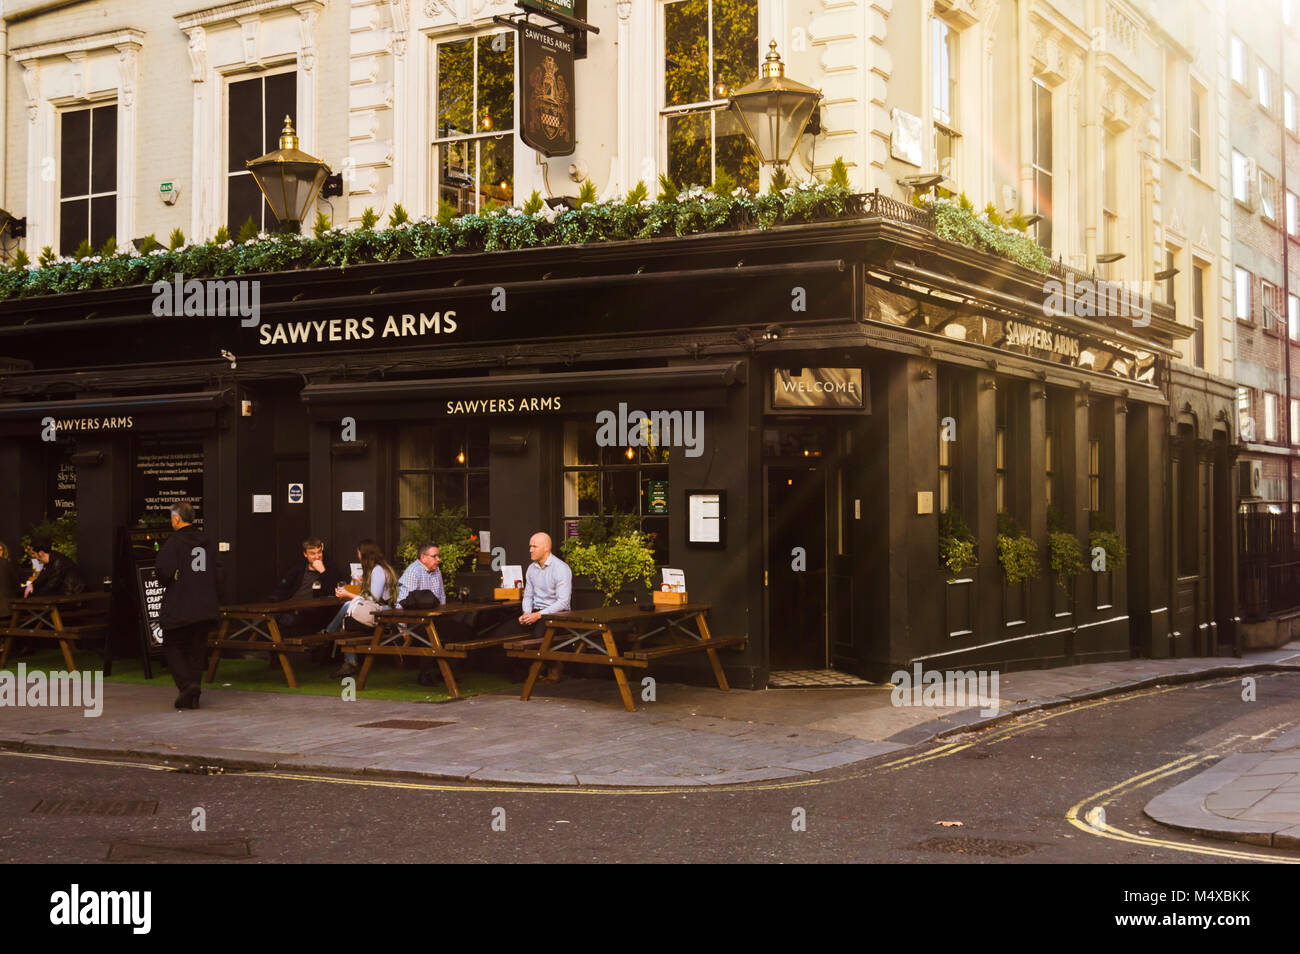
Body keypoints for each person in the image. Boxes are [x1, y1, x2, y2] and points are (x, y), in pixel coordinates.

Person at [156, 503, 219, 710]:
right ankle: (193, 694)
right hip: (205, 604)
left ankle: (186, 686)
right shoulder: (207, 540)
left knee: (173, 644)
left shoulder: (175, 542)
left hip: (180, 604)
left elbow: (163, 572)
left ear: (176, 519)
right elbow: (219, 571)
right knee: (197, 648)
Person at [485, 531, 572, 682]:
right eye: (530, 546)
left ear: (546, 548)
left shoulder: (561, 569)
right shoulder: (532, 569)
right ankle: (520, 670)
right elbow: (528, 595)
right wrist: (526, 612)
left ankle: (552, 665)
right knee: (501, 634)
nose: (530, 550)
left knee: (539, 637)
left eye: (534, 546)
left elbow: (563, 602)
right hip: (533, 612)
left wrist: (538, 615)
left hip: (556, 614)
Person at [331, 539, 397, 679]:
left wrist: (348, 594)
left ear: (363, 554)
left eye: (358, 553)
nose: (357, 555)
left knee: (348, 608)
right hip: (379, 609)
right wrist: (365, 584)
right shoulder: (377, 569)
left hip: (384, 612)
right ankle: (348, 659)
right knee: (348, 617)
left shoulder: (378, 570)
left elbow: (373, 599)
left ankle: (328, 634)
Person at [270, 536, 348, 639]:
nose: (317, 556)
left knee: (283, 623)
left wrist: (322, 571)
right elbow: (282, 587)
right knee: (268, 619)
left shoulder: (330, 569)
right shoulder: (299, 569)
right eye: (312, 553)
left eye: (319, 552)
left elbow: (335, 591)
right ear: (305, 554)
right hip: (291, 607)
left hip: (311, 612)